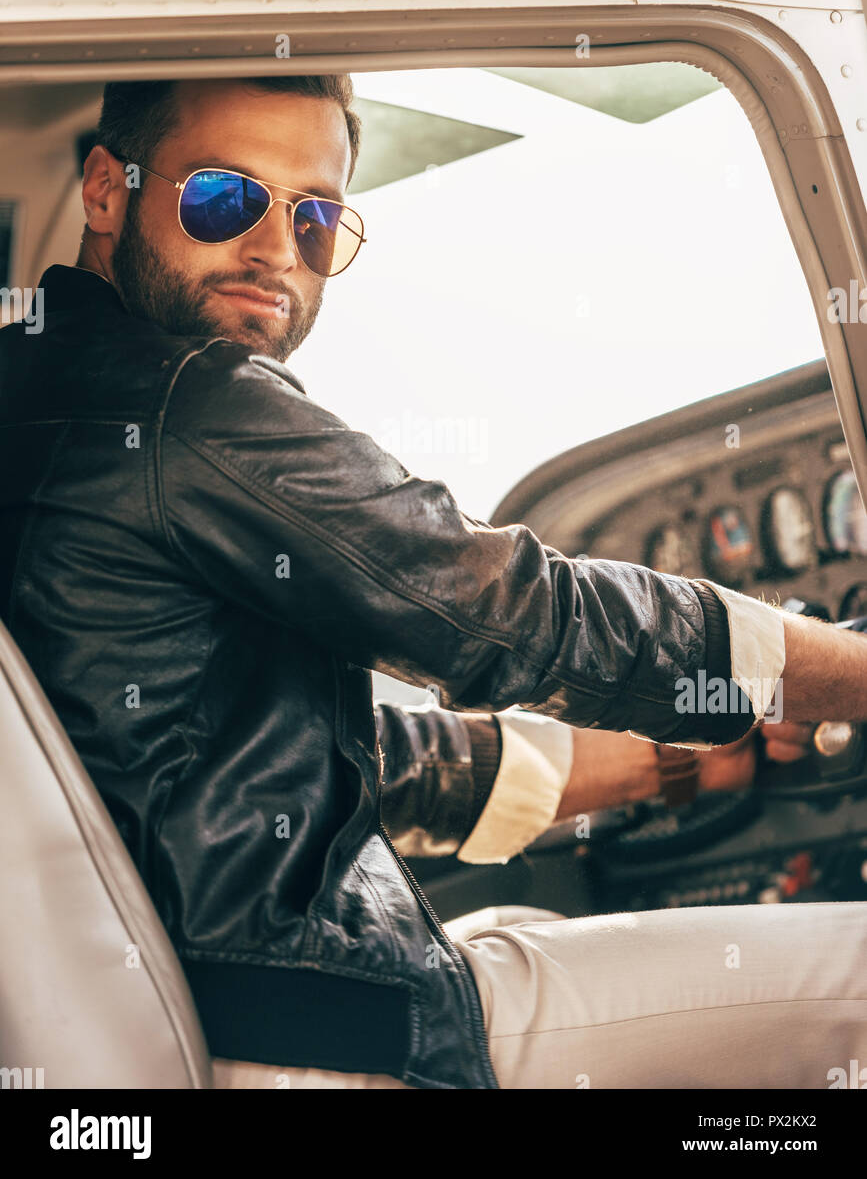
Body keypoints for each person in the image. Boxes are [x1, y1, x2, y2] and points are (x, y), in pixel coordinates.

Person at [2, 74, 866, 1090]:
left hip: (202, 1004)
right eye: (225, 197)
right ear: (107, 190)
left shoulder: (38, 387)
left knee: (528, 924)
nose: (277, 248)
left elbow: (292, 768)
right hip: (292, 1037)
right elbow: (519, 616)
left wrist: (668, 763)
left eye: (317, 218)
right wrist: (842, 671)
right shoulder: (188, 402)